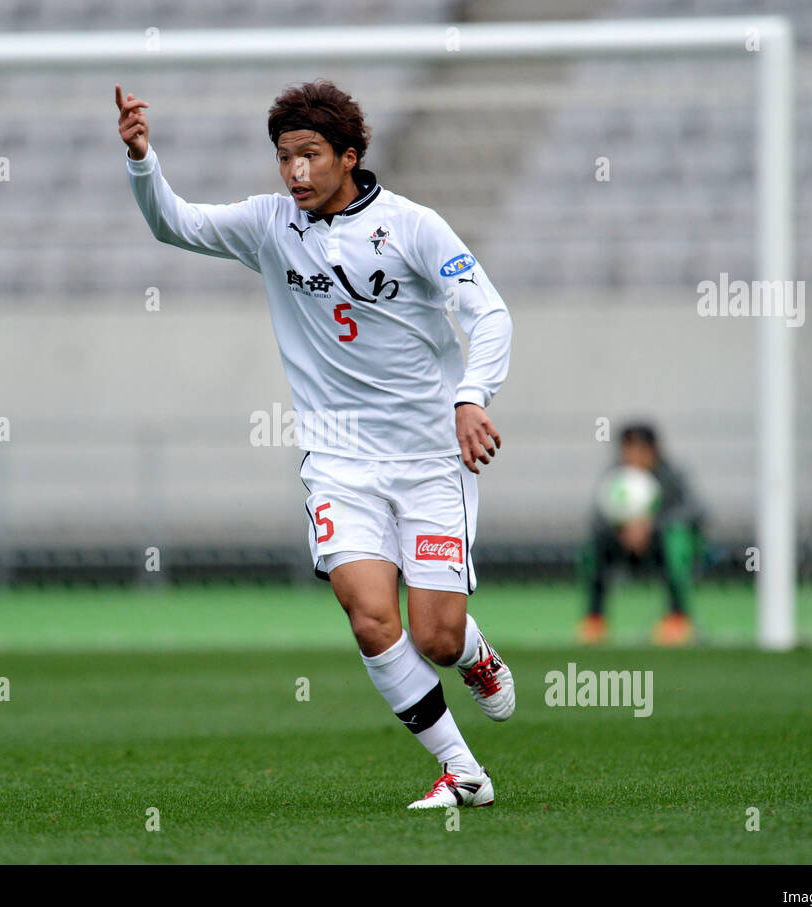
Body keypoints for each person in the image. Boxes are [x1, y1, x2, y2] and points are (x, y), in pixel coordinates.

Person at [117, 80, 515, 809]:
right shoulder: (270, 224)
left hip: (430, 459)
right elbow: (174, 223)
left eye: (310, 155)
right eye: (283, 157)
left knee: (435, 636)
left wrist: (470, 396)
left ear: (350, 157)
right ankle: (463, 771)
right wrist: (144, 160)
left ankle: (474, 653)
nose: (294, 172)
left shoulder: (415, 227)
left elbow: (489, 316)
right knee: (369, 615)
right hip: (338, 460)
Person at [578, 423, 704, 647]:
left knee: (676, 541)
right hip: (621, 544)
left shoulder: (671, 476)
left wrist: (653, 525)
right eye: (628, 449)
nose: (633, 456)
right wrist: (621, 528)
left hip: (659, 544)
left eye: (639, 449)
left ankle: (677, 618)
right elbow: (597, 515)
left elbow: (695, 511)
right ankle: (594, 620)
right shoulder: (614, 477)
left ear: (653, 450)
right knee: (594, 546)